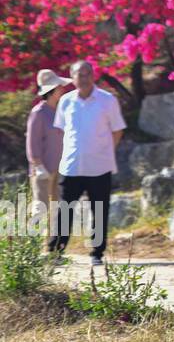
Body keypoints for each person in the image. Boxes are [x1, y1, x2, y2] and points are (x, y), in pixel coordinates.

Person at [49, 61, 127, 267]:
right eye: (78, 75)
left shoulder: (107, 100)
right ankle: (56, 250)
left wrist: (104, 150)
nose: (83, 79)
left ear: (93, 76)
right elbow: (63, 130)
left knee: (99, 210)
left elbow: (117, 130)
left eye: (86, 74)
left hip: (99, 165)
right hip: (72, 165)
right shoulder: (66, 101)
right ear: (72, 78)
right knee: (65, 209)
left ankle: (97, 253)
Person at [26, 68, 72, 240]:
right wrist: (37, 165)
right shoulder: (38, 113)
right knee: (40, 207)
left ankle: (52, 246)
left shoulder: (60, 111)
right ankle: (31, 249)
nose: (62, 89)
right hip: (42, 169)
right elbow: (32, 141)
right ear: (51, 91)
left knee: (58, 208)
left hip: (59, 168)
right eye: (59, 87)